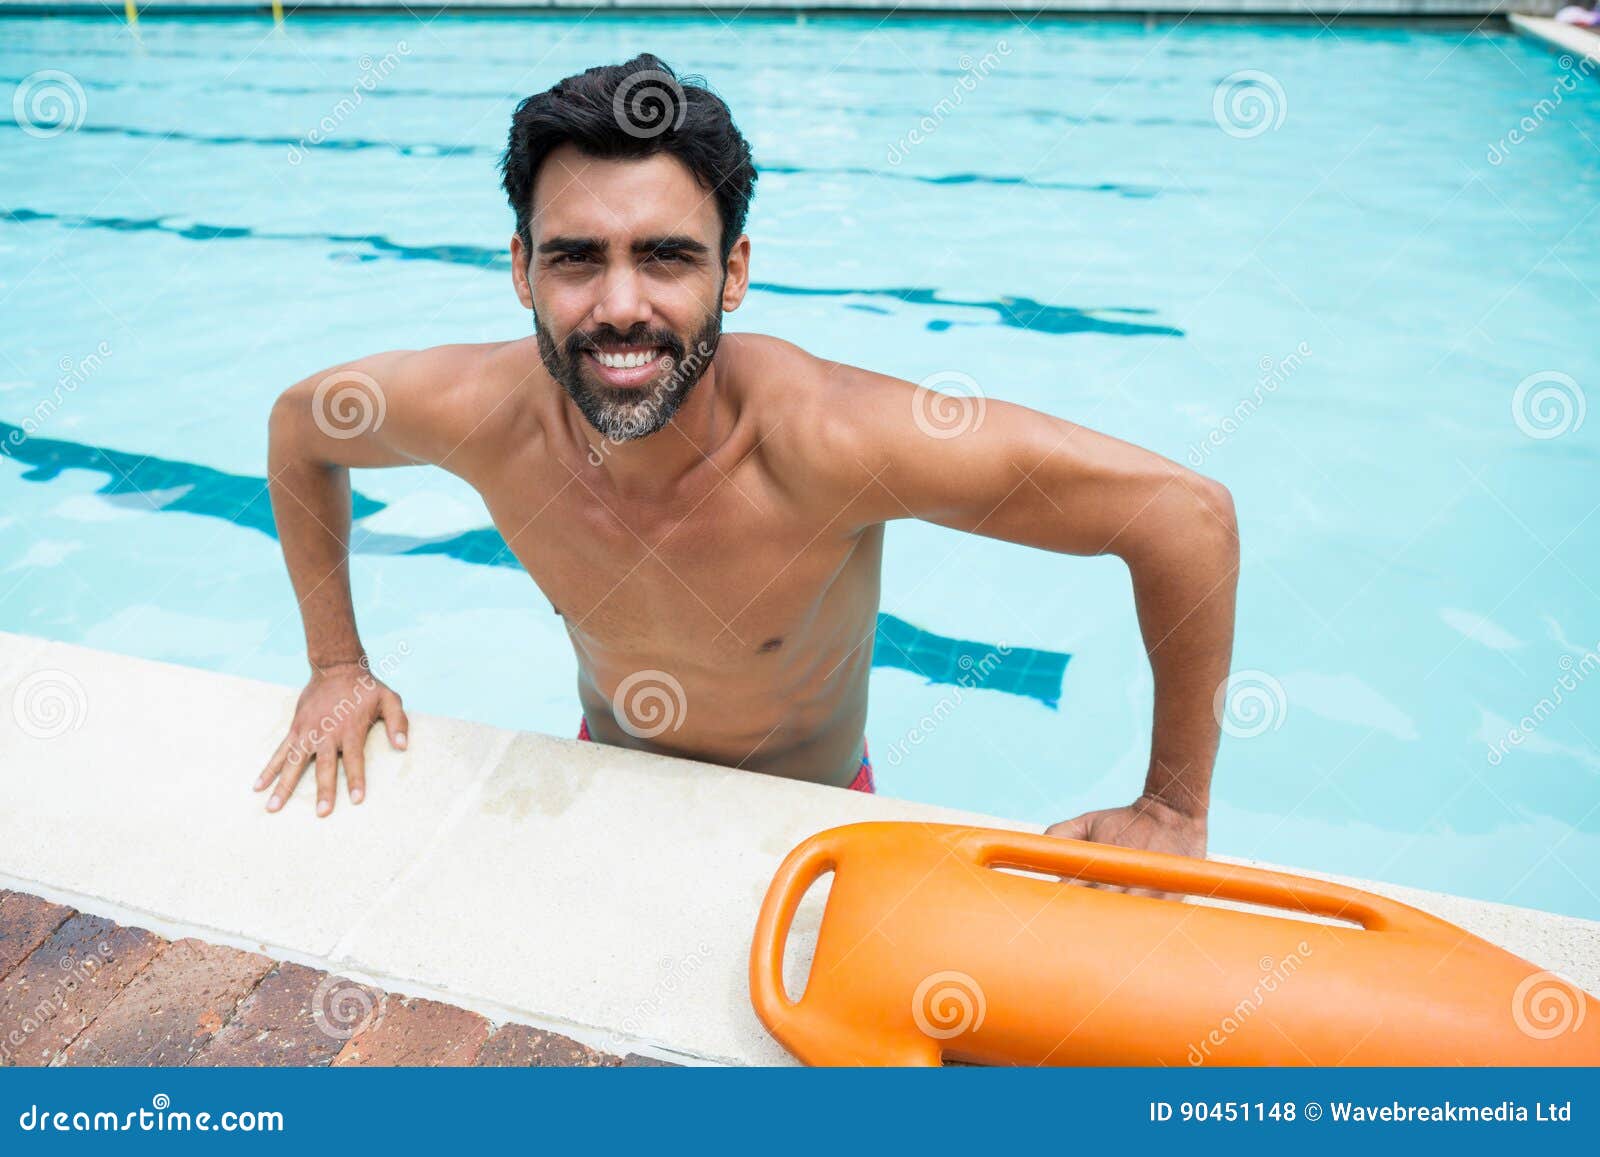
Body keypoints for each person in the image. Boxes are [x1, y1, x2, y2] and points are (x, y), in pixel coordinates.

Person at [257, 55, 1238, 890]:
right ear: (523, 270)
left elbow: (1181, 517)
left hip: (814, 819)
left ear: (732, 272)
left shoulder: (831, 442)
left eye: (667, 257)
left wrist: (1172, 806)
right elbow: (302, 429)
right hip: (610, 776)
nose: (620, 306)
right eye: (576, 259)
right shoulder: (478, 414)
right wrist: (336, 665)